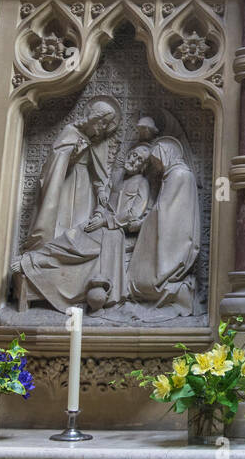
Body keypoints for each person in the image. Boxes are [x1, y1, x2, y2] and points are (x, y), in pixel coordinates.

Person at [12, 143, 153, 312]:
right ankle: (33, 260)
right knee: (71, 236)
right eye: (133, 155)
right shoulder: (116, 176)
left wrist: (106, 221)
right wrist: (99, 215)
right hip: (98, 223)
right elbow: (103, 202)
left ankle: (32, 261)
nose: (134, 160)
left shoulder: (142, 183)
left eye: (139, 160)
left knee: (77, 245)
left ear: (143, 166)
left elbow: (134, 214)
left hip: (114, 232)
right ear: (129, 153)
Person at [26, 95, 121, 249]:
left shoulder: (98, 143)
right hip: (65, 183)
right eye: (102, 122)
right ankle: (50, 249)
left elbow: (99, 173)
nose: (103, 127)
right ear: (93, 118)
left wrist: (101, 191)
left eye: (107, 125)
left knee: (78, 228)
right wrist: (74, 153)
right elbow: (57, 162)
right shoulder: (70, 131)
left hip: (84, 189)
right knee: (60, 223)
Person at [127, 136, 199, 318]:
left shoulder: (179, 175)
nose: (157, 167)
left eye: (157, 161)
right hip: (169, 233)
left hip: (176, 241)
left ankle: (177, 290)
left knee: (141, 283)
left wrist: (142, 222)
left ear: (167, 155)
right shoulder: (174, 174)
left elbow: (164, 211)